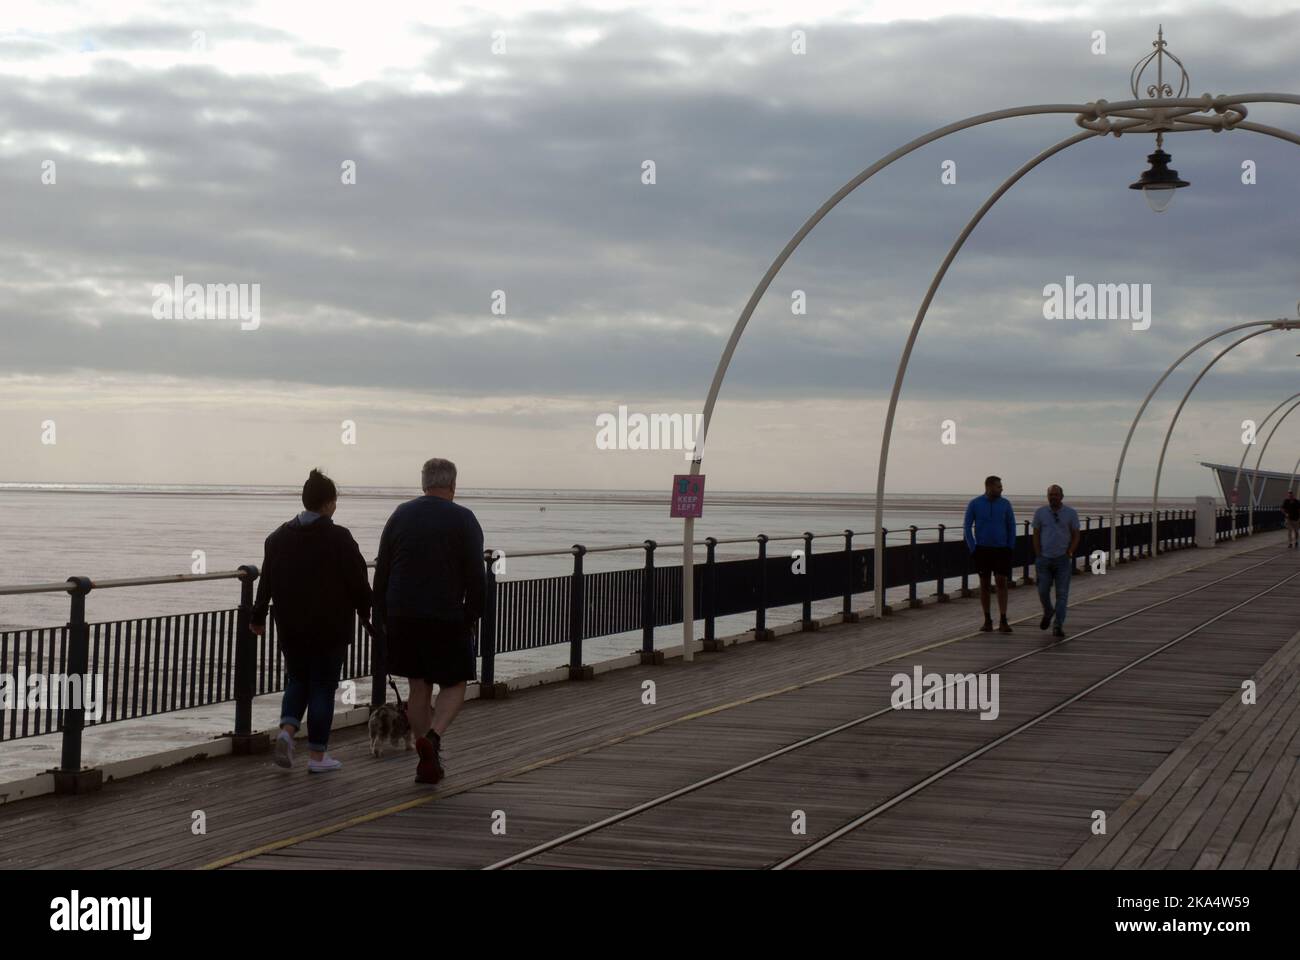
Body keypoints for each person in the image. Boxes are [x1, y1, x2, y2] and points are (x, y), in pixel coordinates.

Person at [252, 468, 371, 773]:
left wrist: (258, 616)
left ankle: (287, 733)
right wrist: (369, 611)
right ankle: (318, 757)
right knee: (322, 686)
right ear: (328, 504)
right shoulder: (339, 537)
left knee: (298, 680)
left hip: (291, 627)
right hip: (330, 628)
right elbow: (358, 581)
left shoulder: (277, 538)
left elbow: (266, 581)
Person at [374, 458, 485, 785]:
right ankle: (433, 738)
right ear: (453, 485)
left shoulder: (400, 514)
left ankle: (427, 753)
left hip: (402, 615)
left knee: (418, 684)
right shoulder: (464, 519)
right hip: (445, 614)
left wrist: (377, 614)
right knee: (455, 682)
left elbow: (383, 570)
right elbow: (476, 576)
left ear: (424, 484)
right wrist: (472, 614)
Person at [963, 475, 1017, 634]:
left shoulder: (1005, 504)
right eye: (998, 487)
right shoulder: (975, 503)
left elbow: (1011, 526)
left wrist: (1010, 546)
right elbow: (967, 527)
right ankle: (987, 619)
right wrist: (973, 548)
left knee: (1001, 581)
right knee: (985, 584)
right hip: (982, 549)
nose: (1001, 489)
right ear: (989, 487)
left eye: (1001, 486)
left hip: (1001, 549)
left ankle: (1003, 619)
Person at [1032, 485, 1081, 638]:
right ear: (1047, 496)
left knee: (1062, 594)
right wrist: (1038, 554)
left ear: (1062, 496)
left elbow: (1076, 534)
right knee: (1042, 590)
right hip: (1044, 559)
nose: (1053, 497)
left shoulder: (1071, 513)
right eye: (1050, 494)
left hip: (1062, 559)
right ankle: (1048, 611)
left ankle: (1058, 624)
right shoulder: (1040, 513)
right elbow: (1036, 534)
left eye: (1056, 494)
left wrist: (1070, 551)